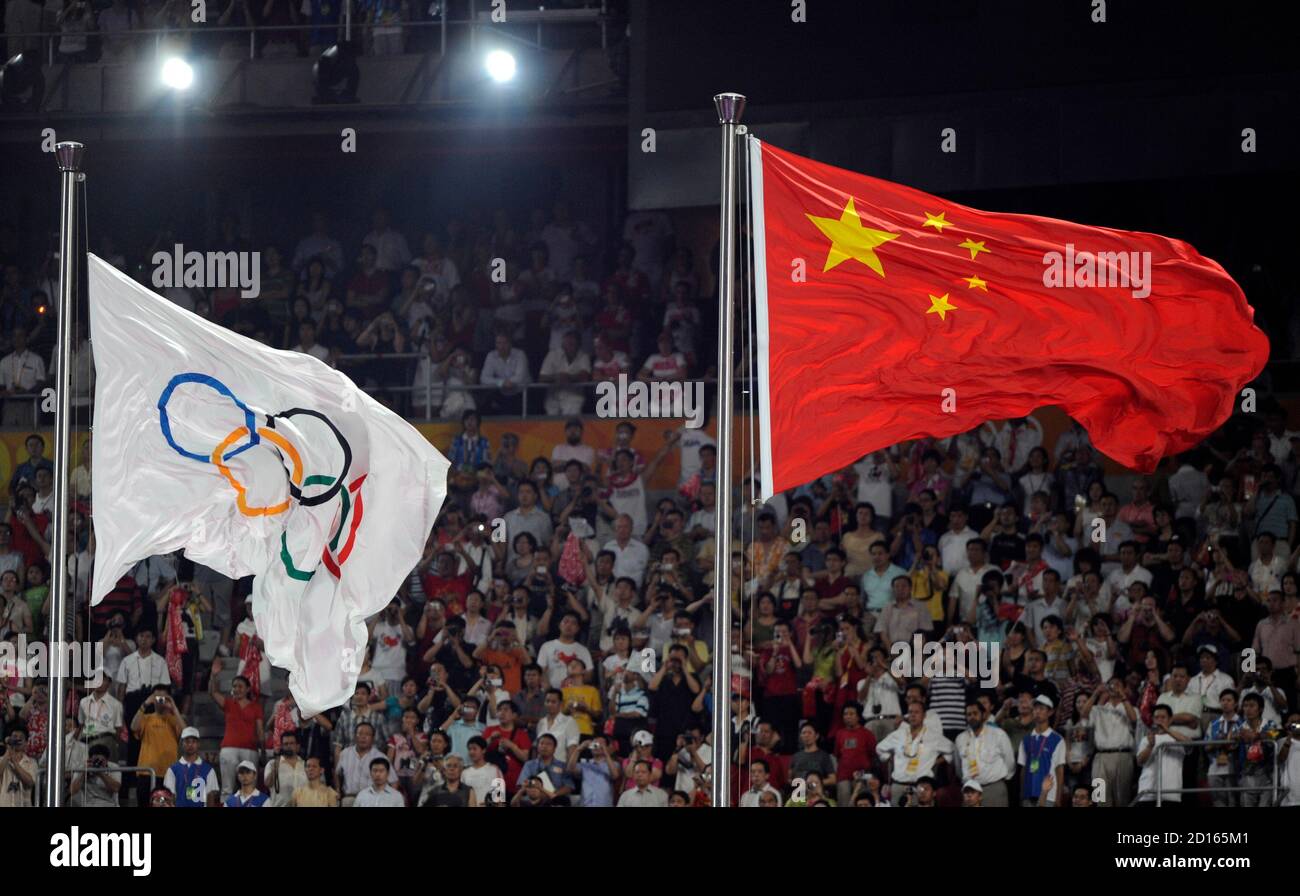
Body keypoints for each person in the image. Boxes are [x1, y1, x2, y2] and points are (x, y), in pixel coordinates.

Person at [208, 658, 264, 798]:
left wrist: (262, 750)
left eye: (240, 686)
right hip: (229, 748)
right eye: (234, 686)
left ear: (248, 689)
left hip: (250, 749)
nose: (237, 689)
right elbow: (213, 692)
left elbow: (260, 730)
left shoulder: (256, 707)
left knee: (250, 788)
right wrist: (214, 675)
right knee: (227, 788)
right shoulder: (229, 704)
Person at [954, 699, 1016, 807]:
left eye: (975, 713)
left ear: (983, 715)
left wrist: (1002, 780)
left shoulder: (998, 734)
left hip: (993, 789)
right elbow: (958, 768)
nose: (972, 717)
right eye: (969, 714)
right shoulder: (960, 739)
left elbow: (1010, 762)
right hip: (969, 791)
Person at [1135, 703, 1191, 806]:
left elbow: (1189, 744)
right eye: (1156, 717)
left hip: (1171, 793)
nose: (1159, 720)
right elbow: (1139, 761)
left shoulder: (1176, 738)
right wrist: (1150, 746)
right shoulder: (1146, 739)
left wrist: (1167, 730)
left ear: (1170, 720)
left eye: (1163, 717)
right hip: (1147, 793)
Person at [1017, 695, 1066, 807]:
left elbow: (1060, 771)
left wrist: (1058, 799)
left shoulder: (1057, 739)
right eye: (1035, 708)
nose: (1037, 712)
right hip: (1028, 795)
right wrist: (1022, 794)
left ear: (1050, 712)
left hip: (1049, 796)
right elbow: (1023, 770)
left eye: (1042, 709)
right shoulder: (1026, 739)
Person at [164, 727, 220, 808]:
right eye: (187, 741)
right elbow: (170, 796)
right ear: (182, 743)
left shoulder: (208, 770)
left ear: (198, 744)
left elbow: (210, 797)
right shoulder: (173, 769)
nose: (190, 745)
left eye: (194, 741)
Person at [69, 743, 122, 808]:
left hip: (109, 804)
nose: (97, 763)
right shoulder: (83, 767)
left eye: (101, 761)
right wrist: (84, 773)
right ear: (90, 759)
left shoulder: (114, 767)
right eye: (95, 760)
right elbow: (73, 791)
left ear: (107, 760)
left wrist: (100, 773)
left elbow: (116, 788)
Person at [264, 729, 307, 808]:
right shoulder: (272, 763)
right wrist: (274, 769)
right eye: (285, 744)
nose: (288, 746)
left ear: (297, 746)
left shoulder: (306, 765)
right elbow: (267, 784)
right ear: (282, 746)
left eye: (291, 743)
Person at [0, 726, 37, 807]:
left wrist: (15, 762)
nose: (17, 740)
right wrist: (8, 751)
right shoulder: (2, 760)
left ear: (26, 743)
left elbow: (30, 782)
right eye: (14, 737)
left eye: (21, 738)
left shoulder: (31, 762)